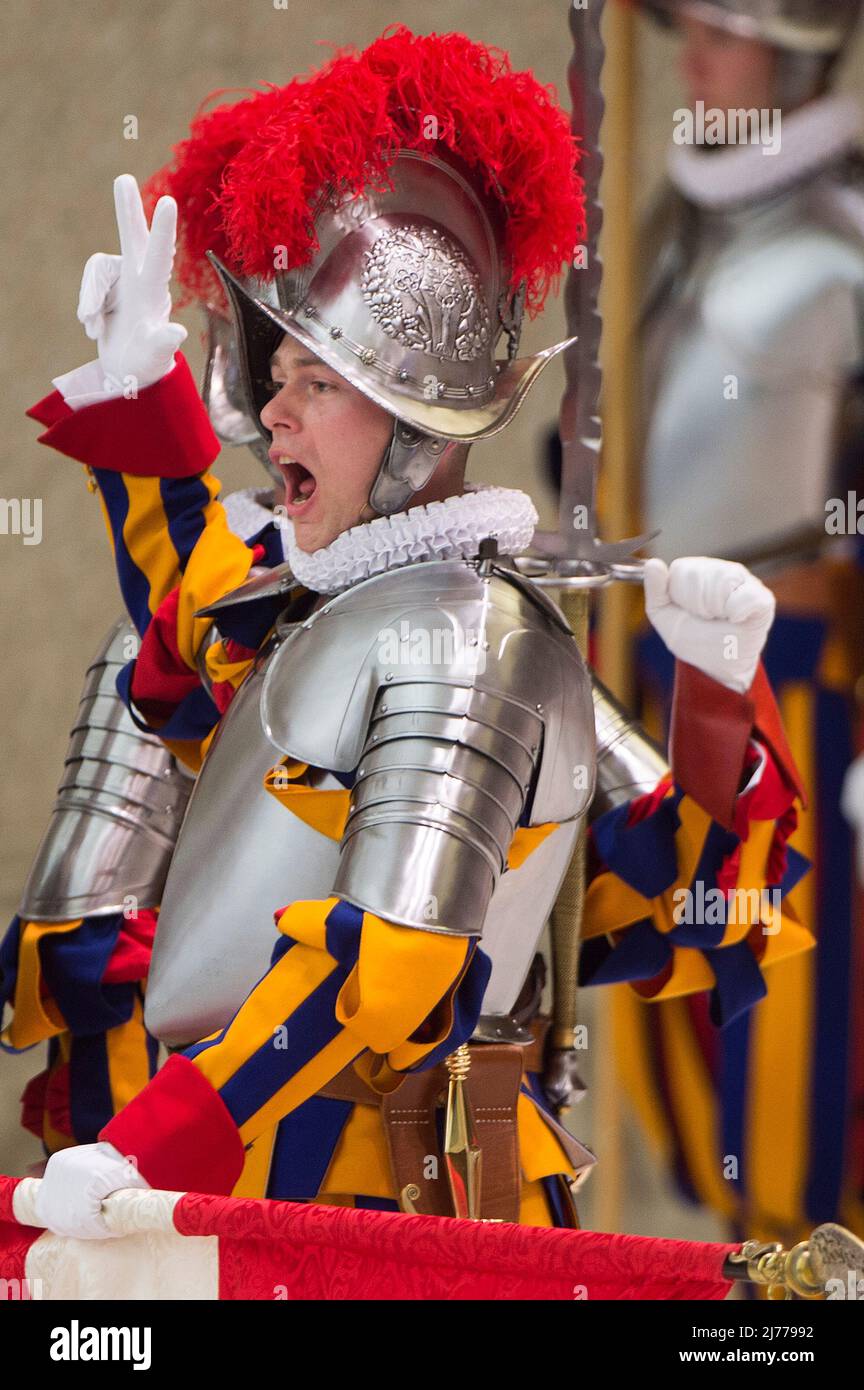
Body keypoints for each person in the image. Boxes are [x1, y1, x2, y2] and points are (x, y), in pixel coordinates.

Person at [28, 27, 810, 1236]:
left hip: (398, 1192)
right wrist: (144, 383)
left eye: (320, 383)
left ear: (414, 428)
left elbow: (657, 906)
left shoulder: (473, 641)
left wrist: (712, 699)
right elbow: (196, 625)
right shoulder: (325, 589)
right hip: (223, 1170)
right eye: (274, 370)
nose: (275, 410)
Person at [0, 88, 289, 1157]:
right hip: (239, 1138)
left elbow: (669, 890)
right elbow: (85, 950)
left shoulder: (498, 605)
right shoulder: (240, 597)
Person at [628, 0, 864, 1243]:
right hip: (654, 651)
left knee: (783, 974)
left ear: (798, 54)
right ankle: (742, 1250)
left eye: (723, 35)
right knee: (666, 968)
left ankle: (799, 1249)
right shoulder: (672, 236)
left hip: (793, 670)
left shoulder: (848, 251)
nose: (695, 62)